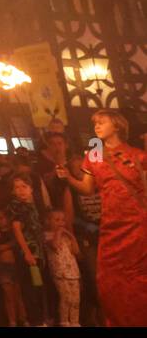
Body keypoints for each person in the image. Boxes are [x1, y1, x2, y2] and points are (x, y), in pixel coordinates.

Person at [57, 109, 147, 325]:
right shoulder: (95, 153)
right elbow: (88, 189)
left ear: (116, 125)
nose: (96, 126)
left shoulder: (137, 154)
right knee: (109, 278)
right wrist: (68, 177)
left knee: (138, 274)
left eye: (102, 122)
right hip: (111, 225)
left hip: (137, 222)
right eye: (95, 123)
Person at [8, 174, 48, 326]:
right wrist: (27, 252)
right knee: (30, 287)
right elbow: (17, 229)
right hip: (28, 252)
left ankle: (41, 318)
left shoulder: (33, 206)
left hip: (38, 251)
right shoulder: (16, 206)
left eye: (23, 187)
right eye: (17, 188)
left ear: (31, 189)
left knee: (38, 285)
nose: (20, 191)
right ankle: (36, 320)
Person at [45, 209, 81, 327]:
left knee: (75, 299)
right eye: (57, 220)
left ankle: (74, 322)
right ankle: (64, 321)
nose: (61, 223)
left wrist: (72, 236)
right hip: (60, 272)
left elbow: (75, 251)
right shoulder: (47, 235)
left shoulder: (67, 237)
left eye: (63, 220)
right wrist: (59, 233)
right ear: (48, 221)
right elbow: (55, 245)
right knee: (66, 298)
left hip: (73, 272)